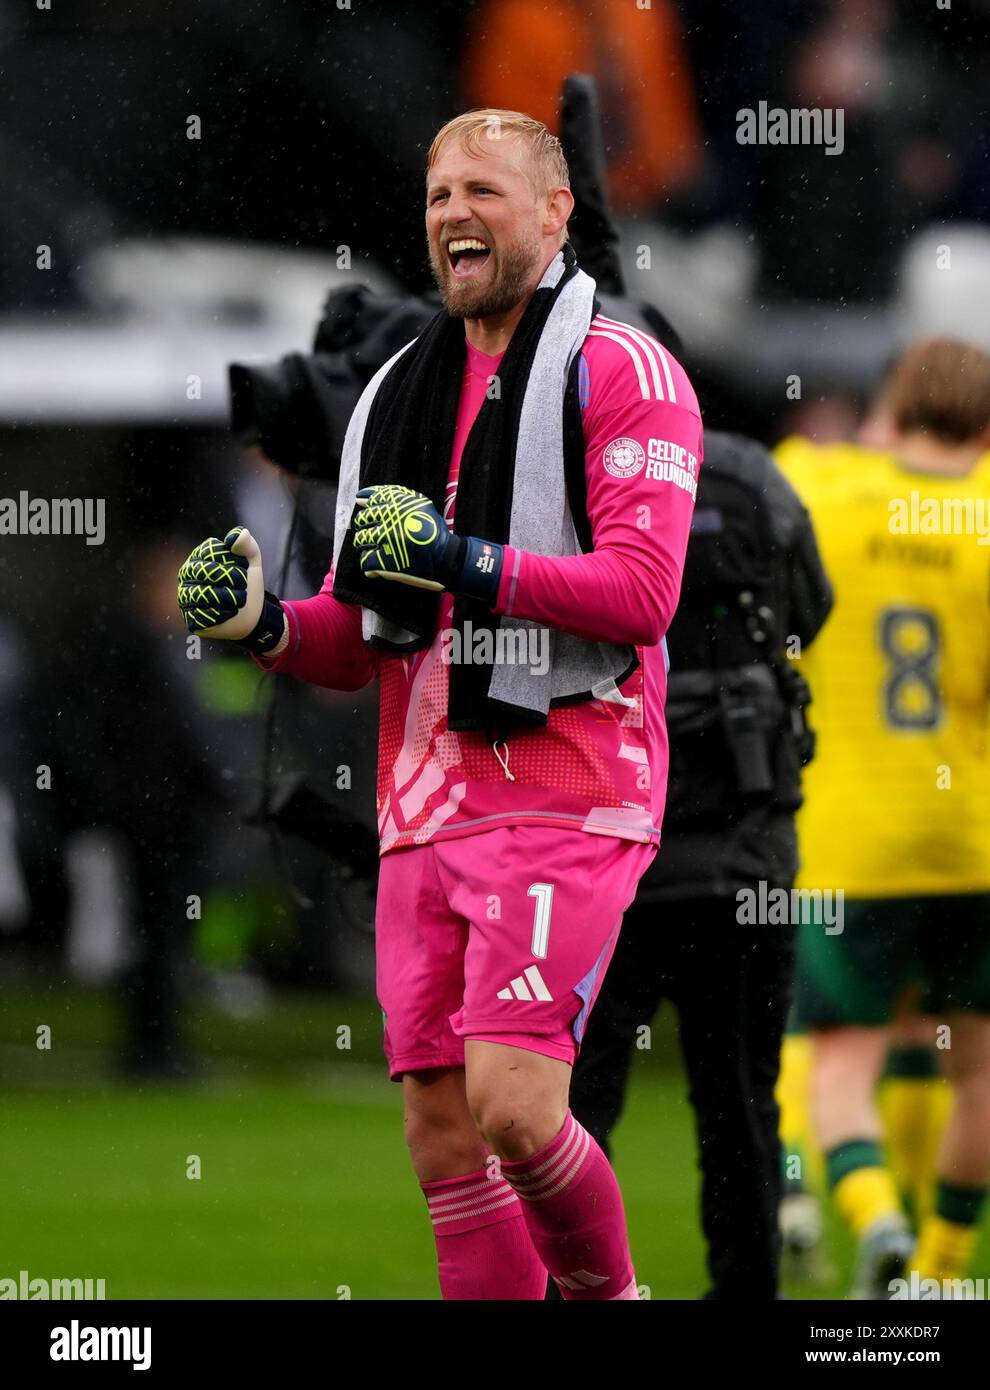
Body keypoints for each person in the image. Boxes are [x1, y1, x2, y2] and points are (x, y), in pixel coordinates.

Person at [175, 108, 702, 1300]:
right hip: (425, 808)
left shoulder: (623, 368)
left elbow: (642, 591)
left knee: (517, 1109)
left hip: (569, 786)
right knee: (446, 1137)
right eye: (435, 197)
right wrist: (258, 622)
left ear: (558, 211)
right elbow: (362, 639)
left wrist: (461, 559)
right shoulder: (393, 398)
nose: (452, 213)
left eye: (483, 190)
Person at [563, 429, 833, 1299]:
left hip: (611, 849)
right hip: (744, 853)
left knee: (573, 1107)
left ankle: (566, 1292)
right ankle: (748, 1292)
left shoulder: (573, 463)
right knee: (742, 1108)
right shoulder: (757, 479)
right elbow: (812, 610)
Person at [776, 337, 990, 1298]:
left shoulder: (825, 494)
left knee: (839, 1065)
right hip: (973, 838)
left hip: (853, 838)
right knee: (977, 1069)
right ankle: (945, 1275)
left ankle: (877, 1222)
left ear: (892, 410)